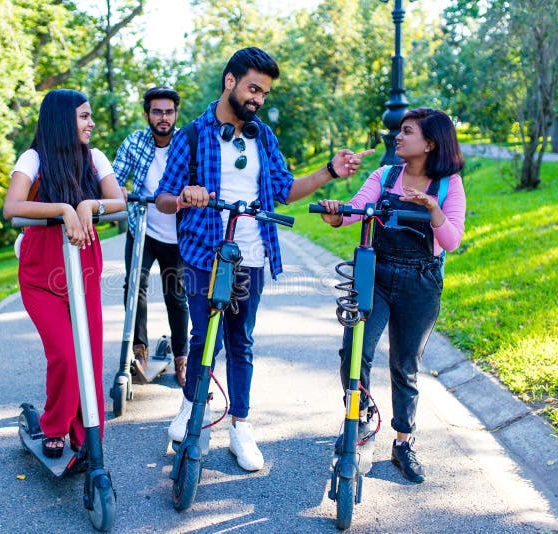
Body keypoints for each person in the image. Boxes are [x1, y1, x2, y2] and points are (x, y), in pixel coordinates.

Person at [154, 47, 373, 471]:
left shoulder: (263, 138)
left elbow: (282, 190)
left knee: (241, 341)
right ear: (229, 81)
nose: (258, 100)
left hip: (252, 255)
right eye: (253, 89)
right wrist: (184, 197)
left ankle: (241, 426)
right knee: (204, 339)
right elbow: (163, 198)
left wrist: (329, 170)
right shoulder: (193, 136)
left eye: (265, 93)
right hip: (204, 254)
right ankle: (190, 408)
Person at [316, 107, 466, 483]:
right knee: (355, 350)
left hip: (421, 281)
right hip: (376, 274)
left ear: (430, 143)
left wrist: (432, 208)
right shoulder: (384, 176)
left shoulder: (449, 185)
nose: (398, 137)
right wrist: (334, 213)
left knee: (405, 364)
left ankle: (403, 441)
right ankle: (360, 415)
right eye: (400, 131)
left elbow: (451, 240)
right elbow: (352, 213)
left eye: (407, 131)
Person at [3, 89, 125, 459]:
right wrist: (63, 209)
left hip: (83, 270)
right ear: (62, 120)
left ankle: (86, 433)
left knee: (88, 355)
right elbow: (12, 207)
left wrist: (88, 204)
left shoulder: (95, 158)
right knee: (65, 356)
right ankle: (54, 425)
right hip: (42, 275)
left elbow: (120, 203)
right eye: (84, 116)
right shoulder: (33, 158)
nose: (92, 123)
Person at [113, 86, 190, 386]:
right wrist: (117, 191)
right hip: (142, 227)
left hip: (176, 232)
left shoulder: (185, 143)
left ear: (175, 115)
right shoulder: (134, 142)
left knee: (176, 294)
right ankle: (139, 349)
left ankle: (182, 357)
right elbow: (114, 180)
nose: (163, 118)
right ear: (147, 114)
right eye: (157, 112)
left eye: (169, 112)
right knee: (135, 287)